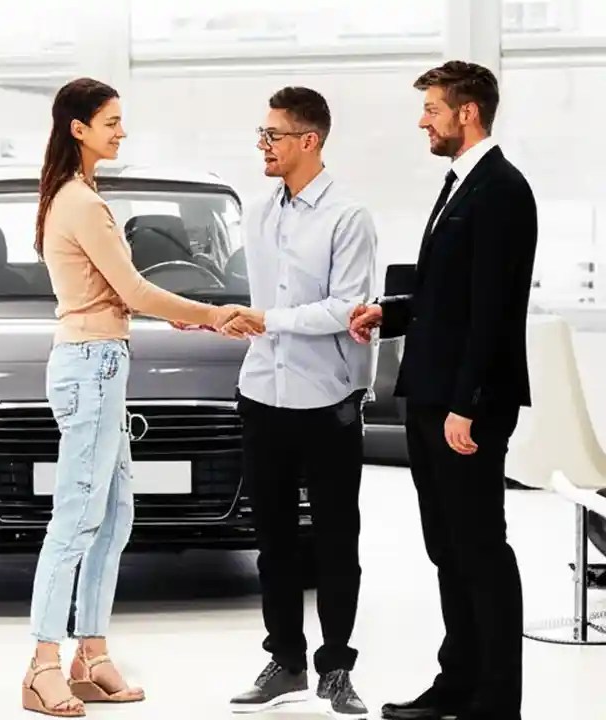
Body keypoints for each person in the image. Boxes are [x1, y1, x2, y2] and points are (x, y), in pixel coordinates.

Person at [22, 76, 261, 717]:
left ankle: (90, 653)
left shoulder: (78, 194)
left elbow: (119, 294)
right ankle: (44, 663)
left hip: (103, 365)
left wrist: (178, 314)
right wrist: (211, 315)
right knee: (76, 517)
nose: (121, 132)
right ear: (78, 128)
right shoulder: (79, 201)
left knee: (117, 514)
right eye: (110, 122)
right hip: (91, 366)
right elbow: (131, 291)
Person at [349, 61, 538, 720]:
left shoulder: (502, 190)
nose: (422, 120)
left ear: (467, 113)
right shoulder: (462, 184)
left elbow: (492, 309)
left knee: (481, 548)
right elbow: (445, 294)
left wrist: (467, 403)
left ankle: (495, 701)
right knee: (447, 549)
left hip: (468, 404)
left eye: (431, 108)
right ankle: (457, 683)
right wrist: (390, 313)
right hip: (431, 394)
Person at [214, 87, 378, 718]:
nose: (264, 145)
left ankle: (336, 667)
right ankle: (285, 661)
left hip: (328, 400)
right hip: (263, 394)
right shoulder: (257, 213)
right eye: (262, 135)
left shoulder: (348, 216)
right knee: (273, 540)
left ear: (308, 141)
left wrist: (266, 318)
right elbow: (259, 303)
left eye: (273, 136)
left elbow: (346, 306)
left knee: (336, 539)